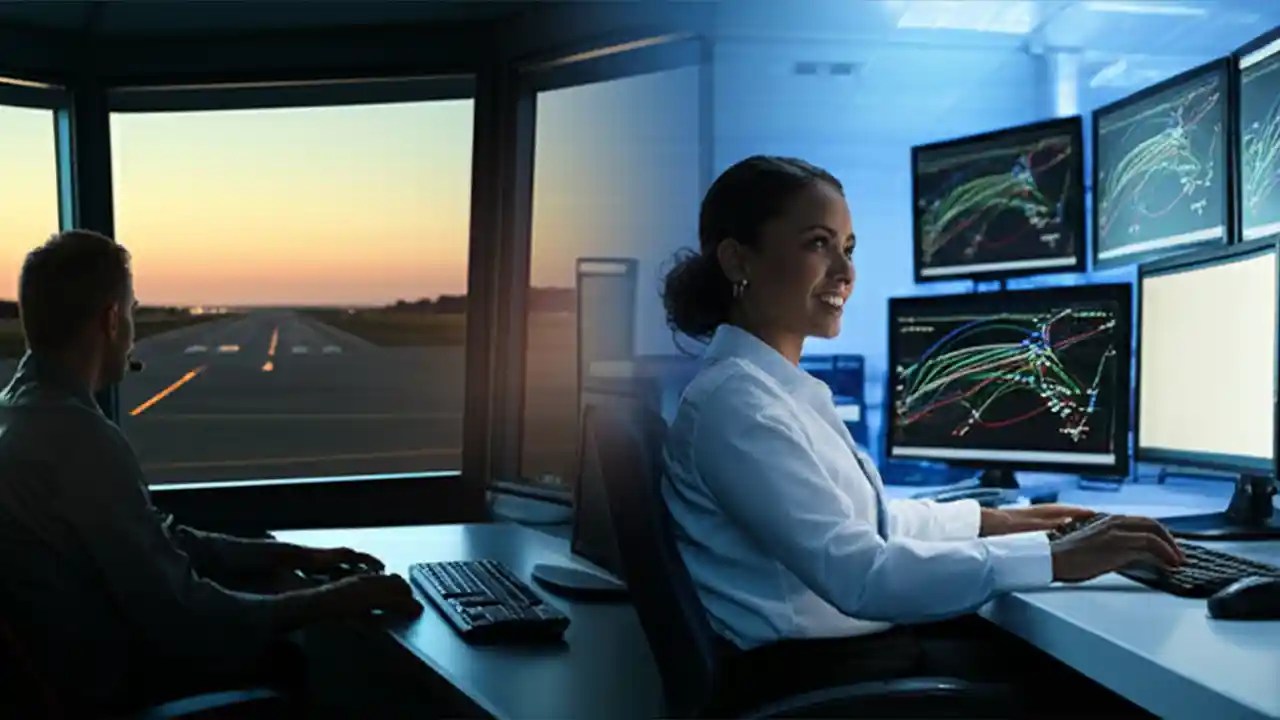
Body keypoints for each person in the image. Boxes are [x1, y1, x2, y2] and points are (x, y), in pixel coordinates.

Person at [658, 155, 1184, 714]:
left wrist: (995, 521)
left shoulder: (768, 389)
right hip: (813, 680)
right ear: (738, 258)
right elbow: (862, 575)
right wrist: (1053, 558)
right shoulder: (739, 407)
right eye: (818, 244)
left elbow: (867, 523)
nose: (845, 271)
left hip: (838, 660)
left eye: (849, 248)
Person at [0, 230, 423, 716]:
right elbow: (186, 615)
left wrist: (291, 554)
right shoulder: (78, 438)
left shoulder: (20, 412)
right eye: (132, 311)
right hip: (112, 689)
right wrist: (332, 600)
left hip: (78, 666)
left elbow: (157, 541)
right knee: (295, 659)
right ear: (112, 319)